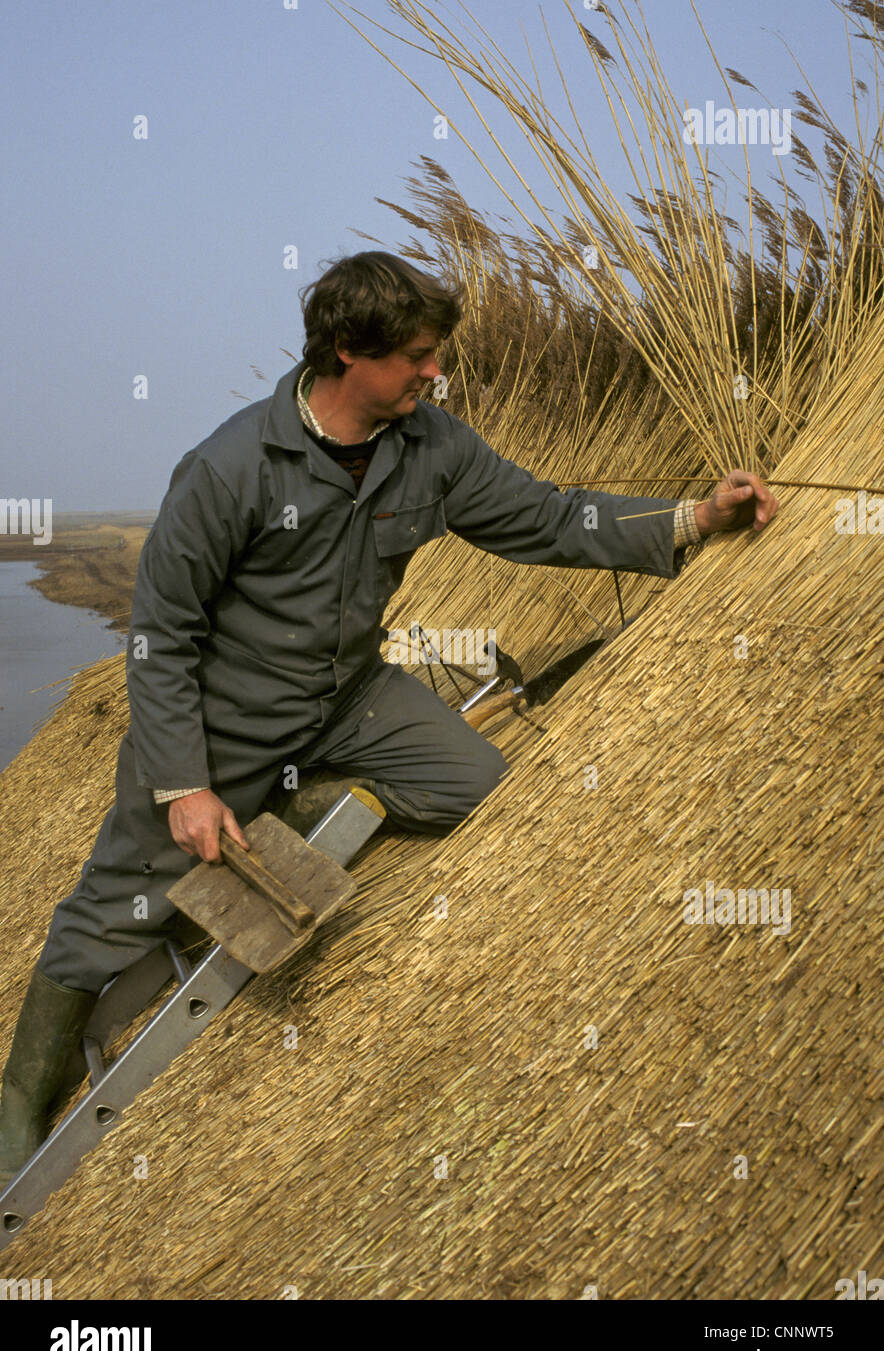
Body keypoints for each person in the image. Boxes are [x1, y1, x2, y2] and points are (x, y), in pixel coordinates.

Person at [0, 251, 778, 1183]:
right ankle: (15, 1103)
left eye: (433, 354)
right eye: (414, 355)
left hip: (351, 701)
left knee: (479, 786)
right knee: (109, 910)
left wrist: (692, 518)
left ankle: (303, 798)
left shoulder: (434, 447)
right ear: (345, 351)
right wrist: (186, 782)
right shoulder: (230, 466)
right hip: (229, 723)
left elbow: (549, 518)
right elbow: (161, 635)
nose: (431, 371)